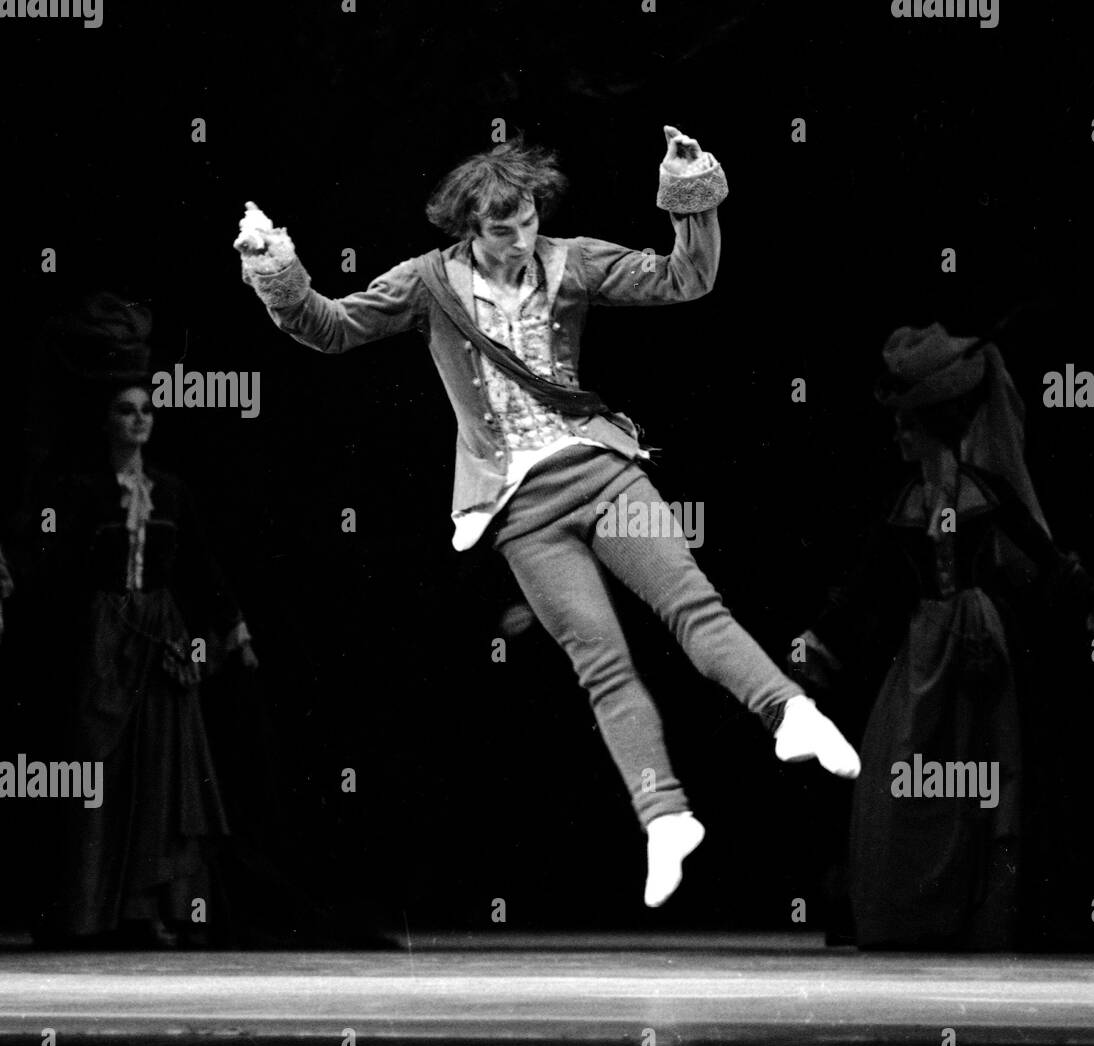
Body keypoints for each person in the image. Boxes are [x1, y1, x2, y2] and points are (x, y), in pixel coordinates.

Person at [235, 127, 860, 909]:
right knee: (600, 662)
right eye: (503, 229)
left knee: (693, 605)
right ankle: (665, 815)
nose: (520, 239)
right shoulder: (430, 284)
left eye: (528, 221)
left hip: (600, 474)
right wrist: (273, 262)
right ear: (471, 226)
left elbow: (685, 279)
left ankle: (791, 711)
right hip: (519, 509)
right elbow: (327, 326)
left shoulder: (571, 261)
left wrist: (691, 189)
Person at [793, 323, 1094, 949]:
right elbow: (865, 579)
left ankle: (980, 912)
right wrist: (821, 636)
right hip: (926, 640)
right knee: (903, 767)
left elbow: (1044, 554)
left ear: (934, 424)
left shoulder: (983, 490)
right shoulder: (905, 501)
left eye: (907, 424)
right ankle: (911, 911)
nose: (898, 434)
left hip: (979, 639)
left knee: (987, 772)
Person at [33, 334, 257, 947]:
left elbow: (201, 564)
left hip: (159, 636)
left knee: (162, 773)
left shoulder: (172, 490)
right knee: (97, 770)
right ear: (107, 421)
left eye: (146, 410)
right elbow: (52, 565)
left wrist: (231, 625)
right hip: (102, 639)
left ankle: (152, 908)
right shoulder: (79, 489)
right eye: (127, 410)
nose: (139, 419)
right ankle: (86, 913)